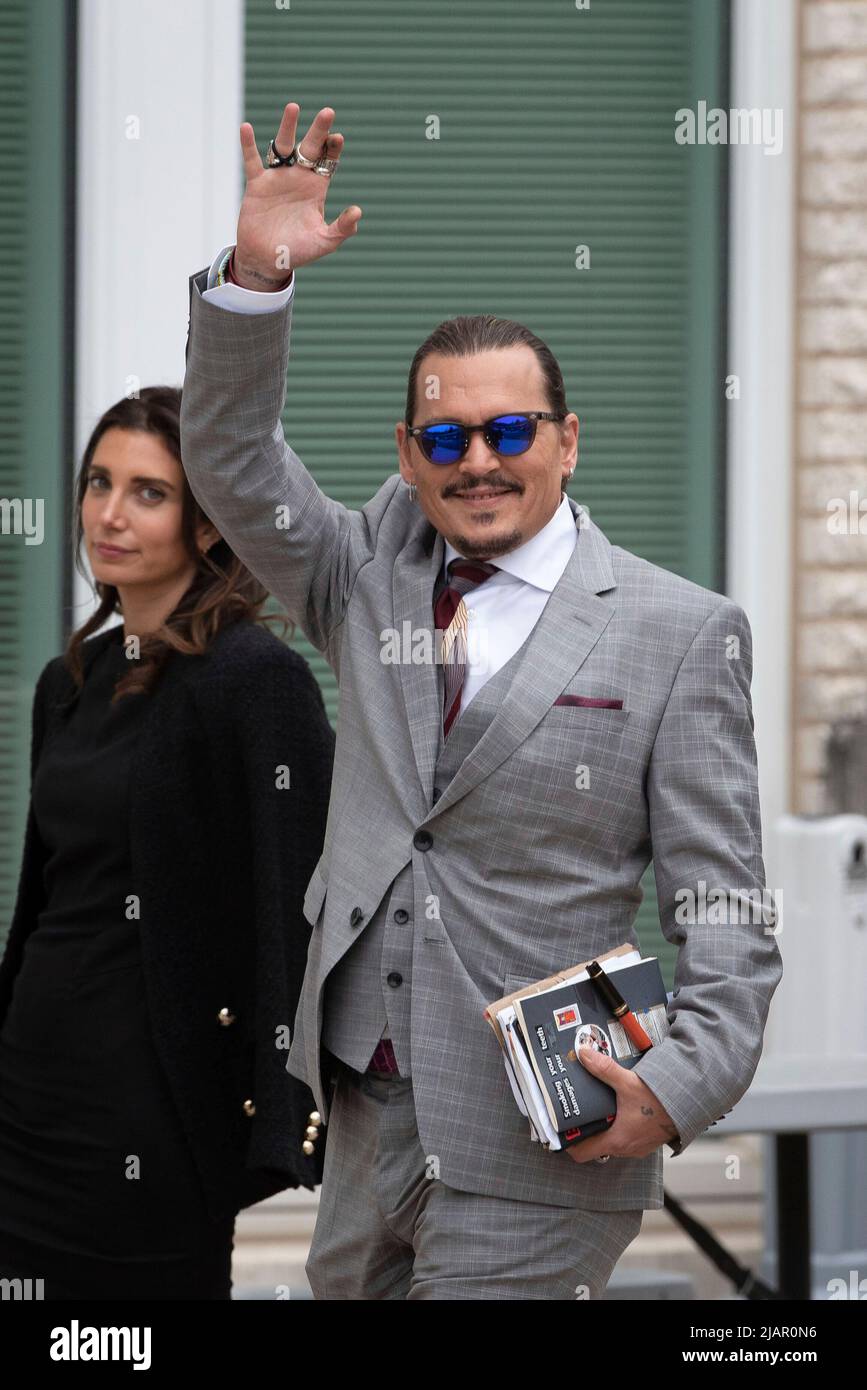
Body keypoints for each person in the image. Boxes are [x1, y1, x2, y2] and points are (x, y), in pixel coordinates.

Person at [179, 101, 783, 1300]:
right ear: (408, 456)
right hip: (361, 1111)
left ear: (569, 442)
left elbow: (723, 902)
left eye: (511, 430)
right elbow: (231, 462)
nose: (479, 462)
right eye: (446, 439)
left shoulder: (679, 629)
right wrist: (255, 277)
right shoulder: (360, 577)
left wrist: (680, 1082)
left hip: (542, 1132)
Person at [0, 386, 334, 1300]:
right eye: (99, 482)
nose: (109, 514)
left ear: (209, 524)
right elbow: (45, 899)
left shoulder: (255, 682)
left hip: (152, 1109)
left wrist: (282, 1117)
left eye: (149, 492)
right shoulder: (70, 680)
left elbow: (295, 910)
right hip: (29, 1089)